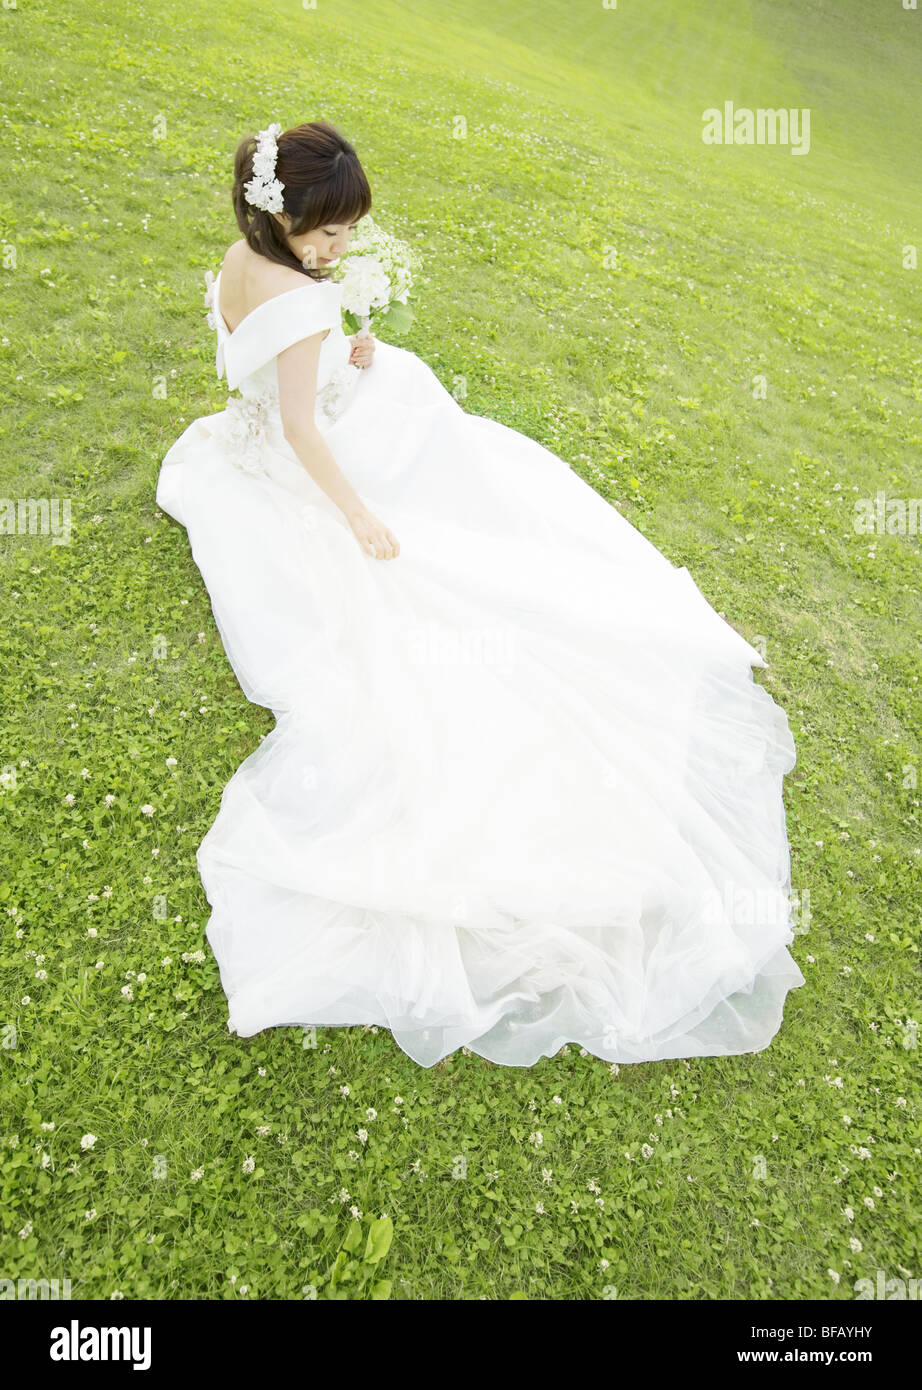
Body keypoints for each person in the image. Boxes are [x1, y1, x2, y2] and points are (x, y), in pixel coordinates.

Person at [155, 119, 805, 1068]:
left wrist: (343, 350)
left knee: (419, 400)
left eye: (347, 233)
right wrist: (358, 516)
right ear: (279, 213)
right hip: (307, 470)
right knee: (451, 486)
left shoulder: (241, 257)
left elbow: (268, 363)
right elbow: (302, 426)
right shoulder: (300, 302)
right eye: (328, 234)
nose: (341, 250)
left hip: (249, 438)